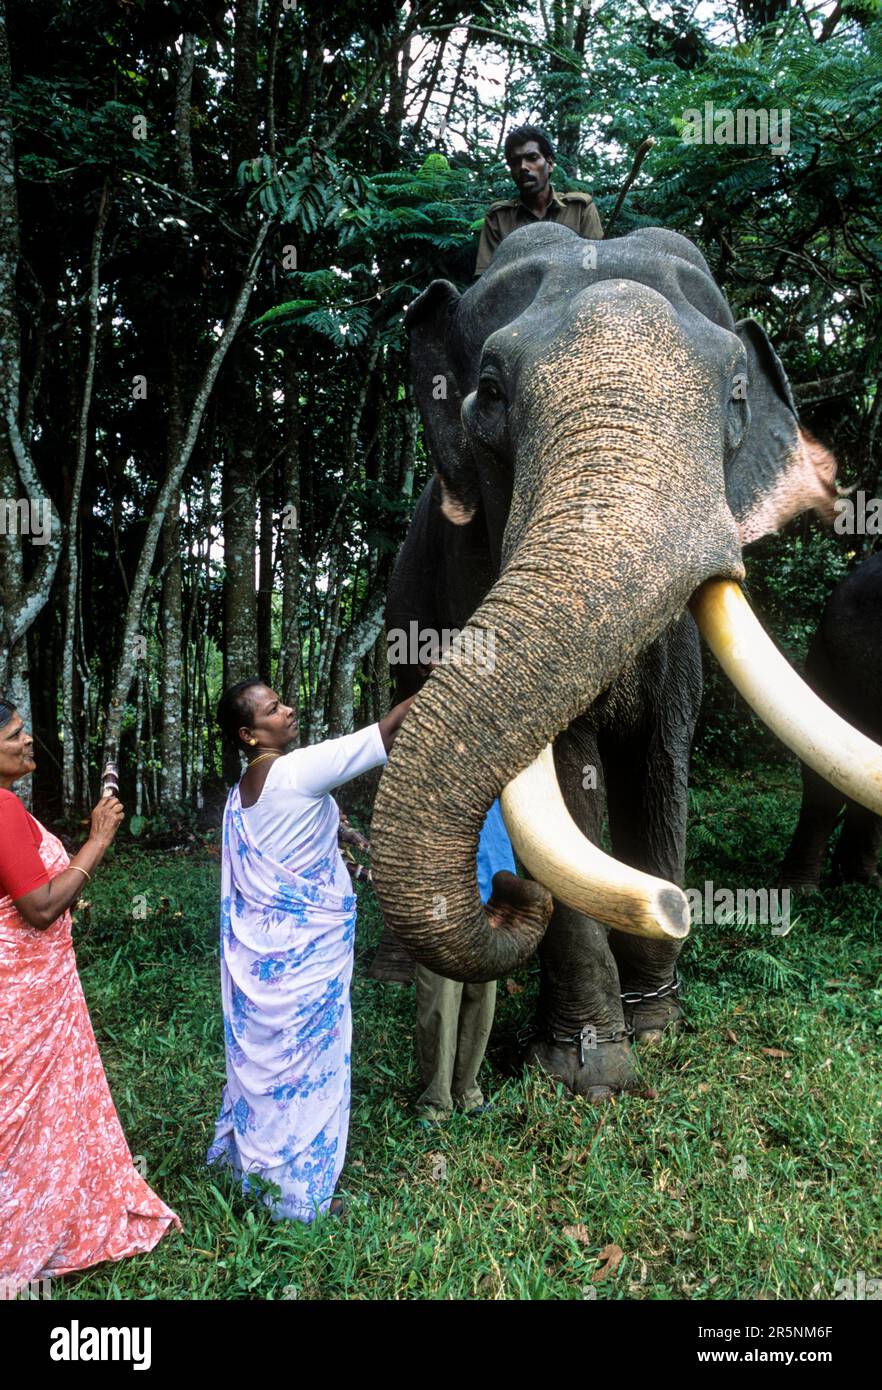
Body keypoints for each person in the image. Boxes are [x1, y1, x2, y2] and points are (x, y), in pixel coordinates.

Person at [208, 680, 415, 1222]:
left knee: (274, 1068)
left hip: (266, 963)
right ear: (249, 734)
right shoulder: (296, 770)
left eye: (282, 701)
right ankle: (301, 1198)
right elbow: (389, 731)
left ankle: (255, 1175)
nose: (288, 710)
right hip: (307, 960)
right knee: (310, 1067)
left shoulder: (241, 794)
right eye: (273, 710)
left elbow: (293, 856)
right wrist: (453, 676)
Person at [0, 696, 180, 1291]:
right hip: (22, 1000)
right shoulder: (0, 808)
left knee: (38, 1116)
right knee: (24, 1119)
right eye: (16, 735)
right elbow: (42, 907)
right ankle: (25, 1234)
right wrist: (100, 838)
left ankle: (54, 1213)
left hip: (34, 990)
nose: (29, 742)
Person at [414, 798, 516, 1123]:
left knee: (481, 999)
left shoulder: (497, 781)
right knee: (440, 1003)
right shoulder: (428, 778)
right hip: (442, 905)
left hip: (491, 903)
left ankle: (467, 1094)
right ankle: (435, 1105)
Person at [474, 124, 603, 278]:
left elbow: (594, 270)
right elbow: (485, 283)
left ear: (549, 164)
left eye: (532, 158)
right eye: (515, 162)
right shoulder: (499, 218)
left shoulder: (580, 209)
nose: (523, 167)